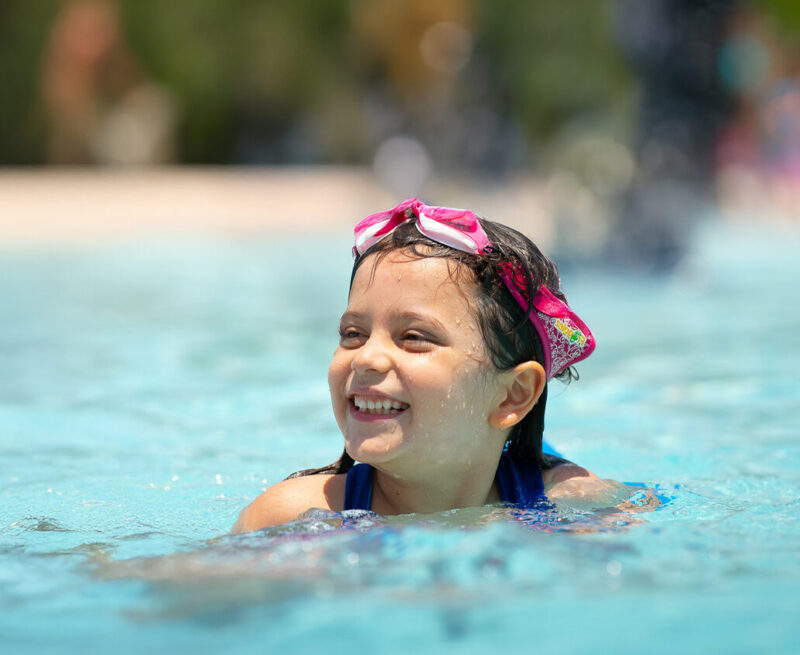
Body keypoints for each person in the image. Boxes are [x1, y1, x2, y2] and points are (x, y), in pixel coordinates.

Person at [234, 198, 616, 533]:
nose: (366, 357)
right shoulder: (292, 517)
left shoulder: (576, 508)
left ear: (512, 395)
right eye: (353, 333)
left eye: (414, 337)